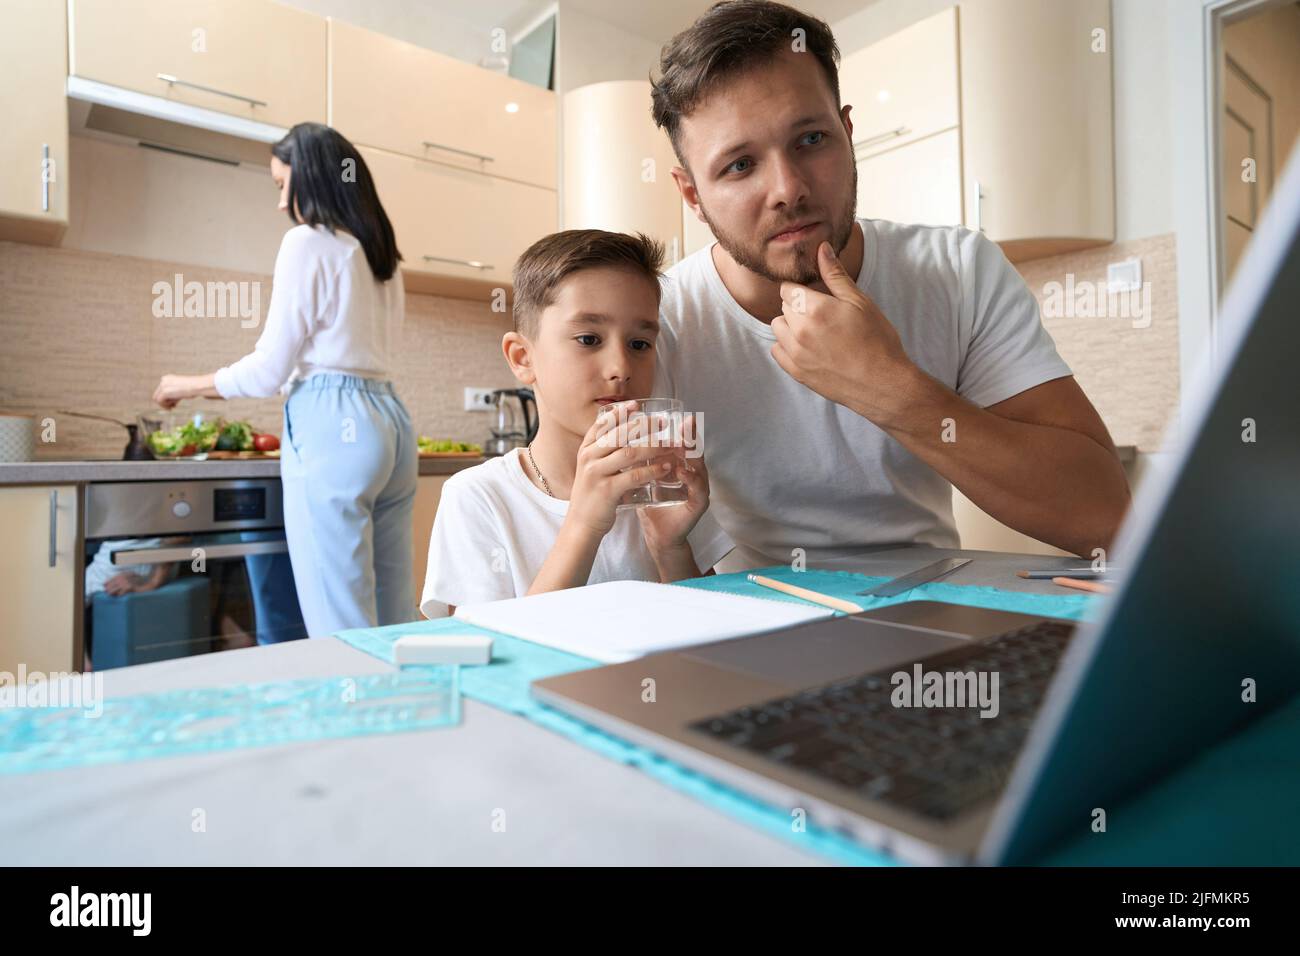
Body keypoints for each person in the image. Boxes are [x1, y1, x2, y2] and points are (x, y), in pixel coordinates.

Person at [650, 0, 1132, 568]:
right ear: (692, 197)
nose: (788, 188)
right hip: (747, 616)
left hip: (931, 605)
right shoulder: (660, 319)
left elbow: (1107, 519)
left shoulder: (957, 269)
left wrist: (888, 387)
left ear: (848, 132)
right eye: (738, 165)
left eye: (810, 139)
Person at [152, 122, 417, 636]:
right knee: (392, 614)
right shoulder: (383, 258)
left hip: (331, 420)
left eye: (281, 185)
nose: (280, 204)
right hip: (392, 422)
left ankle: (346, 709)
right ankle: (404, 710)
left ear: (311, 177)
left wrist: (182, 385)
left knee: (336, 616)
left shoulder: (307, 242)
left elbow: (269, 369)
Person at [421, 229, 734, 617]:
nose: (621, 368)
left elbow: (708, 633)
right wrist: (583, 524)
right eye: (588, 339)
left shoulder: (661, 484)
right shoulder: (479, 497)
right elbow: (492, 660)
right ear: (522, 357)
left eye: (640, 344)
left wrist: (672, 547)